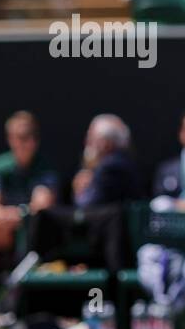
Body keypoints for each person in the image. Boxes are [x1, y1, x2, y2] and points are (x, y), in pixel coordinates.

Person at [0, 111, 57, 314]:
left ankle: (20, 298)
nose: (27, 142)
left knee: (34, 228)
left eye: (31, 136)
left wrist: (19, 214)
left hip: (34, 234)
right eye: (21, 137)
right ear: (11, 139)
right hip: (6, 229)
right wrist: (15, 215)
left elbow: (42, 206)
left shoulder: (44, 166)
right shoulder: (0, 165)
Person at [27, 114, 139, 274]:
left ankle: (29, 273)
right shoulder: (116, 162)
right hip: (103, 234)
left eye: (91, 138)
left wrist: (81, 190)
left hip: (106, 239)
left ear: (106, 144)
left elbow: (85, 205)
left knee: (46, 216)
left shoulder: (111, 166)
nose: (87, 143)